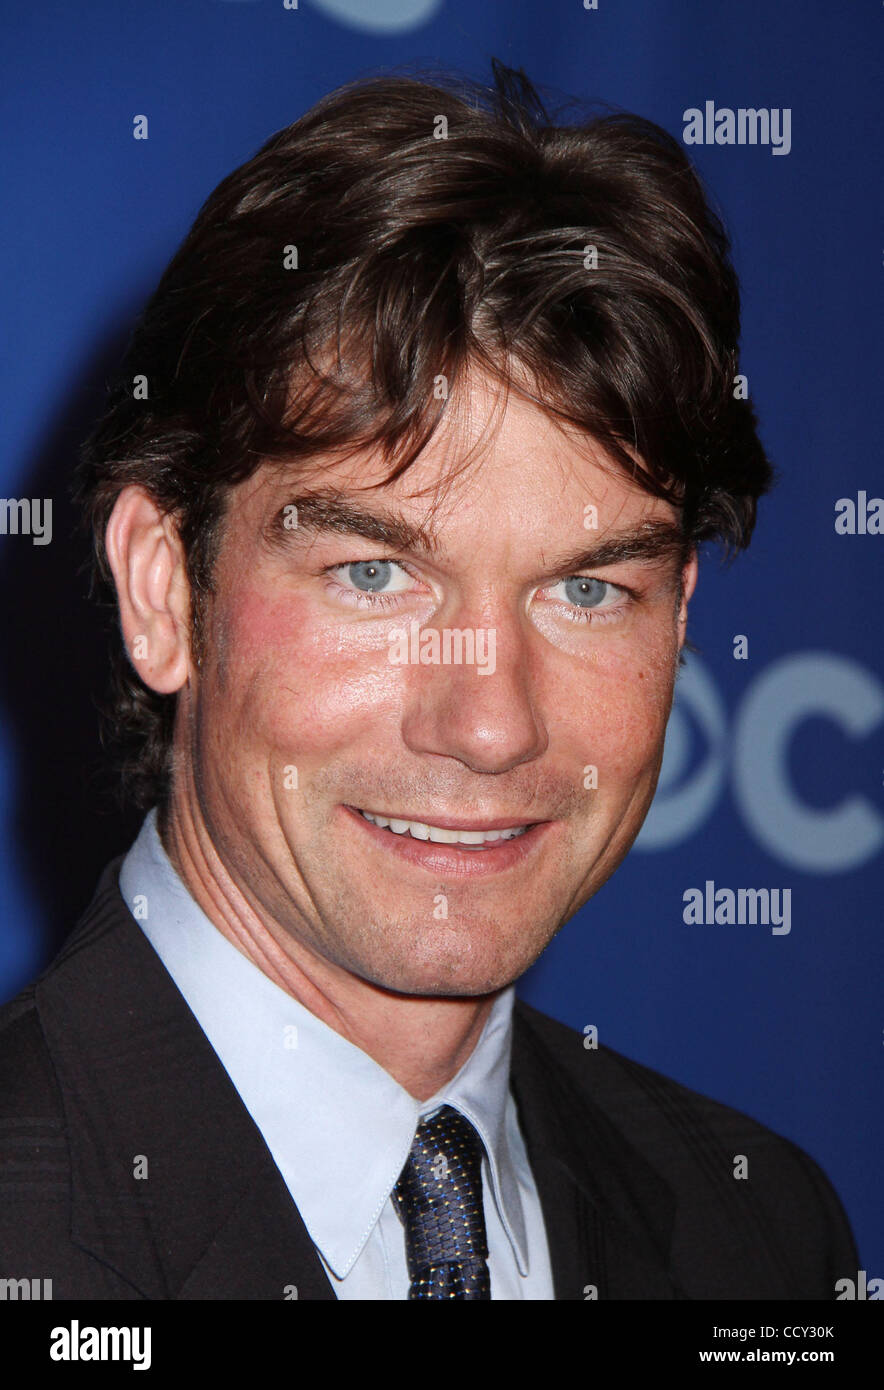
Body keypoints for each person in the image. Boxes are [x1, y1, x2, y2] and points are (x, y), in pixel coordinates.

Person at [0, 62, 858, 1300]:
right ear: (160, 590)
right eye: (372, 575)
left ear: (678, 623)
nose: (491, 722)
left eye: (584, 590)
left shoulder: (762, 1234)